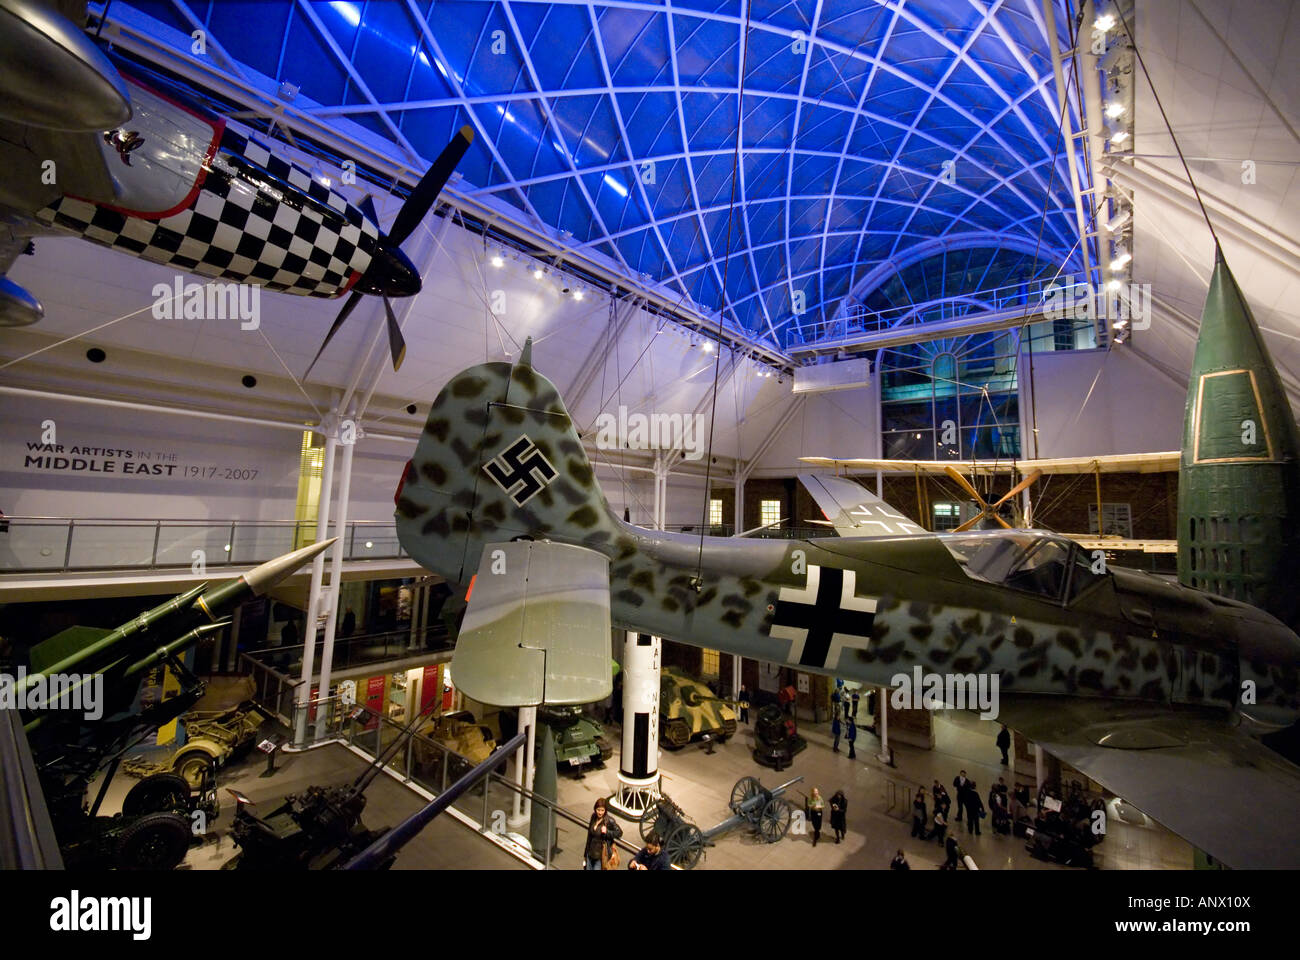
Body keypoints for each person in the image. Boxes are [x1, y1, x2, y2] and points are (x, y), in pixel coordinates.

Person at [583, 798, 622, 870]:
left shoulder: (609, 820)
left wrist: (607, 832)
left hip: (600, 857)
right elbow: (589, 837)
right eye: (598, 810)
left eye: (602, 810)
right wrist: (585, 854)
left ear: (605, 810)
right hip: (590, 854)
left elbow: (619, 832)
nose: (600, 812)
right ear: (595, 809)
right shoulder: (593, 817)